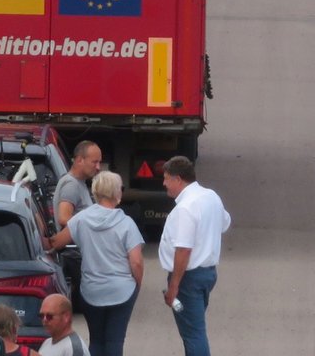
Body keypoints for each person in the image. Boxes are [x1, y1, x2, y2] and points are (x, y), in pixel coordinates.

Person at [158, 156, 229, 356]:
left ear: (178, 179)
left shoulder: (185, 208)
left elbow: (183, 250)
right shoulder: (211, 196)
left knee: (193, 334)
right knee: (194, 329)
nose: (164, 184)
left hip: (188, 279)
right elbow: (225, 223)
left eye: (166, 178)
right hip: (207, 275)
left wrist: (174, 286)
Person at [72, 170, 144, 356]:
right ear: (116, 193)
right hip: (121, 290)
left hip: (91, 290)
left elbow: (57, 242)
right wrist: (137, 283)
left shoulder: (81, 219)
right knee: (114, 340)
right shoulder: (126, 223)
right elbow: (136, 262)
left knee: (96, 340)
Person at [43, 140, 104, 293]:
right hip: (75, 256)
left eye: (99, 162)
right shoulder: (71, 185)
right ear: (79, 160)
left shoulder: (80, 183)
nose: (98, 167)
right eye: (94, 162)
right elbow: (64, 218)